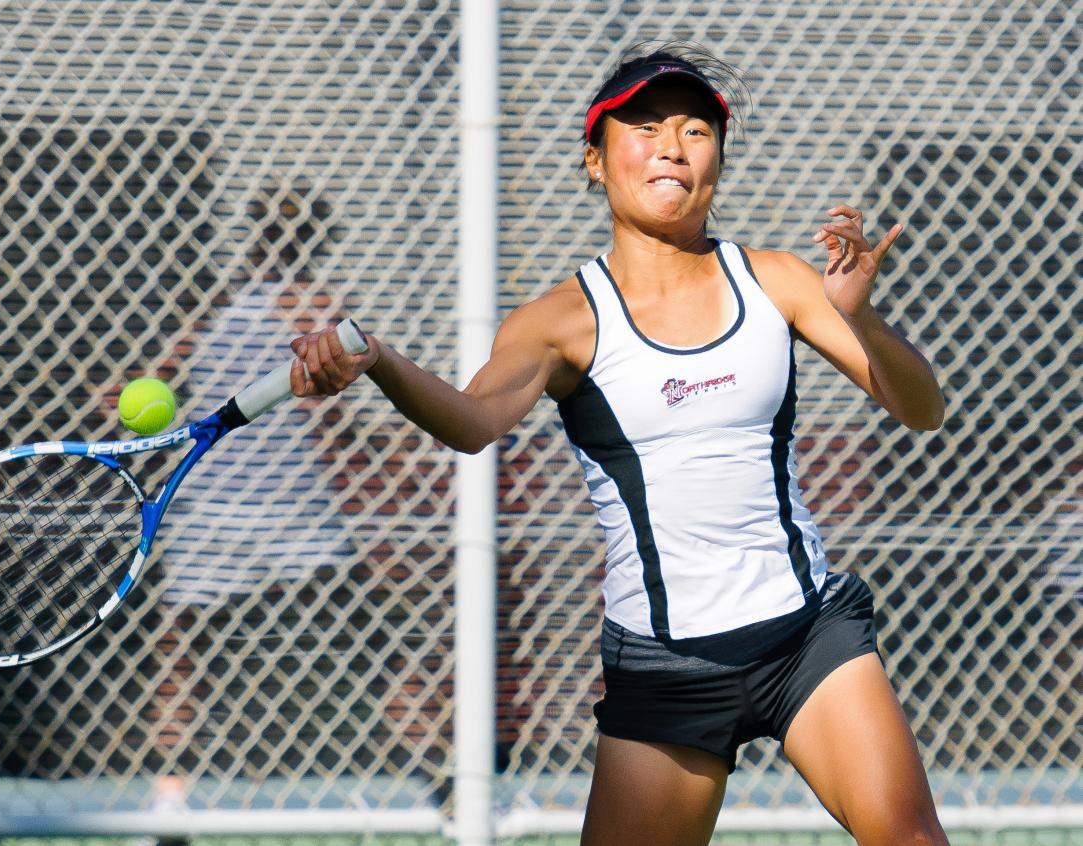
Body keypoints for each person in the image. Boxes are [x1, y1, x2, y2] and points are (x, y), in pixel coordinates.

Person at [287, 40, 948, 846]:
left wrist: (858, 316)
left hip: (805, 635)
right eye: (642, 125)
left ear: (717, 163)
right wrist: (380, 361)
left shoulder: (779, 280)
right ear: (595, 161)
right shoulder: (557, 322)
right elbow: (472, 424)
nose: (671, 144)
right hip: (664, 667)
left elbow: (921, 412)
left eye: (695, 130)